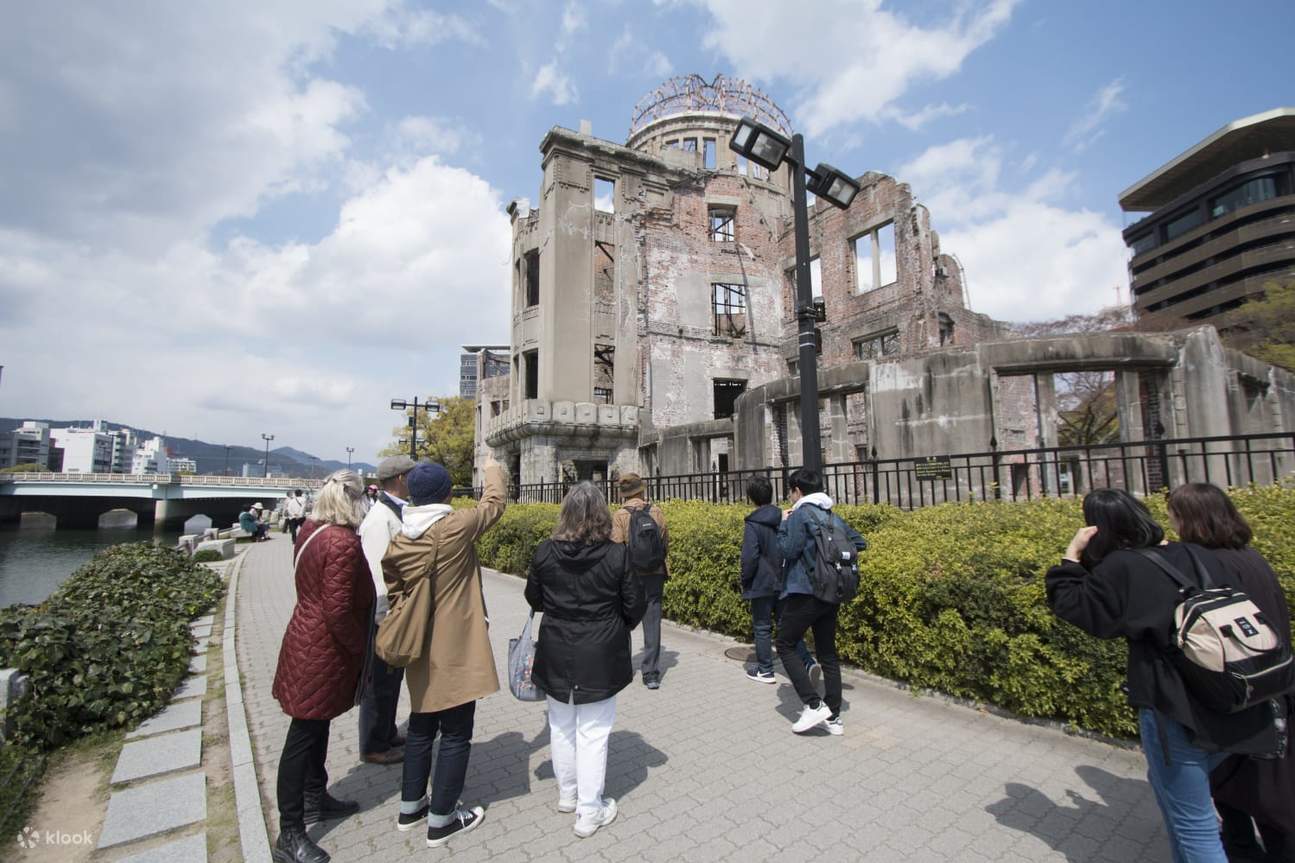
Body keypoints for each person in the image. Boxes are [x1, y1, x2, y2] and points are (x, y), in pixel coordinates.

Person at [1046, 487, 1283, 863]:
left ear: (1097, 528)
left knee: (1195, 825)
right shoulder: (1189, 553)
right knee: (1192, 806)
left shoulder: (1122, 567)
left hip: (1176, 705)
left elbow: (1076, 605)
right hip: (1231, 693)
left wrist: (1071, 556)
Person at [1166, 483, 1295, 863]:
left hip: (1238, 686)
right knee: (1267, 783)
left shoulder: (1203, 564)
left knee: (1242, 783)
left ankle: (1244, 850)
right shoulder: (1250, 557)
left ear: (1191, 519)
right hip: (1274, 678)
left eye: (1174, 514)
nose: (1170, 521)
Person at [382, 457, 506, 849]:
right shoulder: (454, 527)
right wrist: (490, 468)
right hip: (454, 644)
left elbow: (395, 589)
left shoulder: (401, 538)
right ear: (447, 494)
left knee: (421, 725)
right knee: (455, 730)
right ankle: (443, 818)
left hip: (418, 642)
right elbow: (494, 504)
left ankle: (410, 807)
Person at [526, 482, 646, 838]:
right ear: (602, 514)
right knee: (593, 732)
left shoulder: (545, 551)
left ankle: (568, 794)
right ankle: (589, 810)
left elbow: (534, 598)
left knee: (561, 725)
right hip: (600, 649)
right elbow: (634, 604)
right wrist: (615, 626)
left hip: (556, 645)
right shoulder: (616, 554)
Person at [270, 470, 374, 863]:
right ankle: (290, 832)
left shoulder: (310, 530)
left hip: (302, 635)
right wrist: (359, 649)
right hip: (324, 647)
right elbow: (338, 610)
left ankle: (315, 796)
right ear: (353, 498)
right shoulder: (342, 542)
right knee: (303, 733)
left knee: (316, 725)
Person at [775, 468, 866, 735]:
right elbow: (859, 543)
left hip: (805, 592)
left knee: (784, 643)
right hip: (832, 590)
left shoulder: (800, 514)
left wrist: (782, 524)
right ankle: (834, 717)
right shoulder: (832, 516)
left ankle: (813, 704)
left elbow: (787, 550)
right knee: (827, 652)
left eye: (791, 491)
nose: (790, 496)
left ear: (797, 491)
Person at [355, 456, 416, 766]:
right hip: (385, 614)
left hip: (395, 612)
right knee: (380, 682)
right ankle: (374, 744)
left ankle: (387, 732)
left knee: (391, 679)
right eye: (411, 474)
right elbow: (378, 573)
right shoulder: (381, 518)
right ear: (401, 478)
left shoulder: (394, 510)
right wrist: (385, 616)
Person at [739, 477, 818, 685]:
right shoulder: (786, 516)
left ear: (752, 498)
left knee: (762, 626)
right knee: (786, 627)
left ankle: (765, 670)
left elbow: (750, 557)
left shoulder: (753, 523)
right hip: (784, 579)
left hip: (761, 582)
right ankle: (808, 662)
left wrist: (745, 579)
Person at [610, 473, 668, 690]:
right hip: (654, 573)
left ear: (624, 494)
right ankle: (651, 673)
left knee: (624, 620)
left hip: (629, 576)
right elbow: (664, 541)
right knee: (652, 621)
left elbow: (616, 548)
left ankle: (623, 667)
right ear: (641, 490)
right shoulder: (656, 510)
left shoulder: (620, 515)